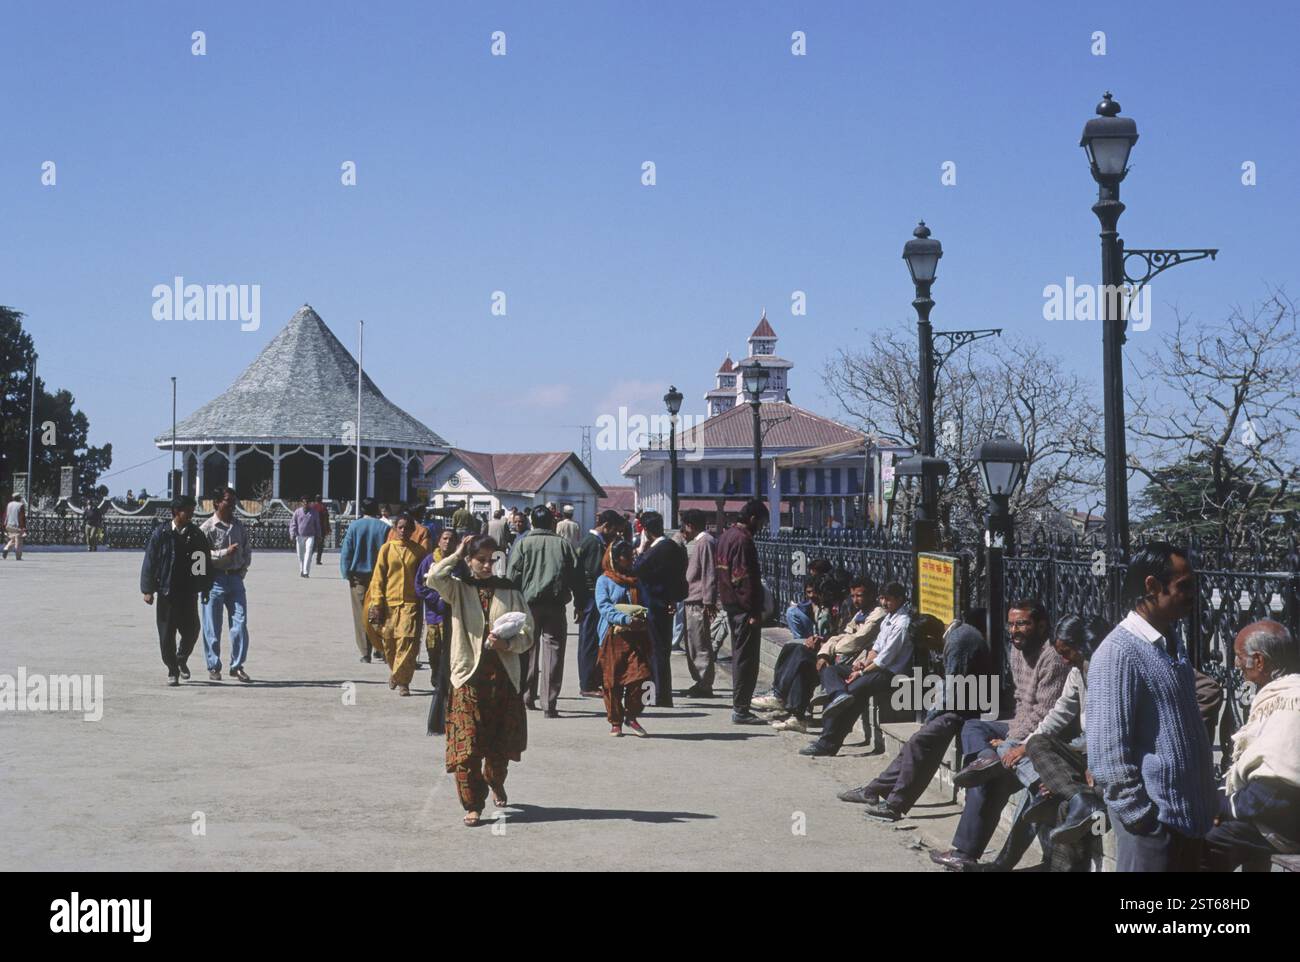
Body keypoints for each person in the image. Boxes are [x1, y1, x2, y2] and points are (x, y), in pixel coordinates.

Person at [1086, 542, 1216, 872]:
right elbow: (1107, 754)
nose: (1192, 594)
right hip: (1153, 829)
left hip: (1185, 823)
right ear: (1152, 586)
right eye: (1183, 586)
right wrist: (1142, 819)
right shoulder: (1118, 653)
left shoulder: (1169, 642)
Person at [930, 599, 1070, 870]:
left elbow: (1044, 714)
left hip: (1047, 737)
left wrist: (1011, 741)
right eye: (1011, 624)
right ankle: (987, 760)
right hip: (1020, 727)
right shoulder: (1017, 649)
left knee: (989, 783)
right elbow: (1021, 700)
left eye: (1022, 624)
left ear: (1042, 626)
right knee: (973, 726)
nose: (1014, 630)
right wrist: (1008, 739)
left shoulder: (1052, 657)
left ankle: (964, 853)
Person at [427, 534, 533, 826]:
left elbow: (528, 633)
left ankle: (494, 780)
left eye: (492, 560)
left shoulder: (509, 591)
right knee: (466, 747)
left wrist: (507, 644)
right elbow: (433, 577)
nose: (487, 566)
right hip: (467, 678)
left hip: (502, 678)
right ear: (469, 560)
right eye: (481, 560)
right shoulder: (458, 589)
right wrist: (457, 553)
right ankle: (473, 803)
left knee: (499, 746)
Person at [845, 610, 990, 821]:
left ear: (930, 637)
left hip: (966, 708)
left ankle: (894, 805)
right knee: (914, 744)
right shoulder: (955, 635)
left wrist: (931, 716)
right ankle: (873, 790)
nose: (930, 651)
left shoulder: (958, 642)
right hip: (959, 703)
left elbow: (952, 690)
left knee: (920, 743)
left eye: (926, 645)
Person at [1203, 620, 1300, 871]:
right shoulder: (1279, 695)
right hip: (1274, 814)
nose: (1236, 664)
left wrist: (1225, 806)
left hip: (1285, 825)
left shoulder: (1290, 704)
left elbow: (1273, 791)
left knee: (1202, 841)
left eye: (1239, 656)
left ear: (1259, 661)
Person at [1022, 615, 1112, 871]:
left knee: (1064, 808)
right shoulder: (1076, 672)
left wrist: (1095, 763)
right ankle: (1078, 796)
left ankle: (1076, 799)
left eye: (1066, 652)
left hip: (1107, 761)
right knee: (1037, 743)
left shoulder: (1105, 671)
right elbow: (1059, 712)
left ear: (1082, 646)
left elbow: (1109, 728)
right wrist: (1023, 746)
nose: (1063, 659)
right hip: (1086, 756)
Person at [800, 581, 912, 757]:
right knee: (832, 671)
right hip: (873, 668)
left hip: (890, 673)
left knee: (854, 691)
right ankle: (838, 695)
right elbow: (876, 648)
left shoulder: (902, 624)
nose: (884, 603)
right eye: (882, 598)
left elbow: (885, 660)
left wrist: (860, 672)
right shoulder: (889, 618)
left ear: (899, 599)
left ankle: (828, 743)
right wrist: (863, 664)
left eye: (888, 599)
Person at [758, 575, 875, 734]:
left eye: (859, 596)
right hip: (838, 653)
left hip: (852, 660)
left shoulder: (873, 614)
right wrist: (823, 646)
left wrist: (824, 649)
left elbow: (854, 641)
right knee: (797, 654)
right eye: (853, 595)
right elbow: (841, 635)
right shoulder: (859, 612)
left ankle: (780, 697)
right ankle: (795, 715)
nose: (855, 600)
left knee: (802, 653)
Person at [506, 504, 582, 717]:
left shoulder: (523, 544)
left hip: (528, 606)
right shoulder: (563, 545)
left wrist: (510, 603)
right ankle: (549, 703)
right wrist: (580, 603)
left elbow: (512, 576)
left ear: (531, 522)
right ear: (551, 522)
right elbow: (576, 576)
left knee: (527, 650)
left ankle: (527, 697)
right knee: (553, 653)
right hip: (556, 606)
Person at [140, 496, 213, 685]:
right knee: (166, 635)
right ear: (176, 512)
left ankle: (181, 658)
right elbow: (150, 561)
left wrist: (204, 588)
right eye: (186, 511)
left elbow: (201, 563)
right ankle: (172, 669)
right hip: (167, 592)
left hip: (188, 592)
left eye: (191, 511)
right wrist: (148, 590)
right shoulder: (161, 533)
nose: (190, 515)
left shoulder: (196, 534)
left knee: (192, 630)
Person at [716, 499, 769, 723]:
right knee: (746, 658)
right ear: (753, 518)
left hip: (730, 603)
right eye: (762, 523)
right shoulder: (742, 540)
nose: (762, 528)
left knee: (741, 655)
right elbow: (744, 579)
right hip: (743, 608)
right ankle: (741, 708)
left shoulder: (726, 536)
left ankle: (741, 706)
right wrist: (754, 610)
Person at [595, 539, 654, 736]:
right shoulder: (604, 581)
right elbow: (604, 607)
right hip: (612, 637)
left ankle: (632, 716)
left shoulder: (636, 580)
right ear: (615, 558)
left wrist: (643, 617)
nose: (629, 560)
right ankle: (615, 721)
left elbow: (646, 603)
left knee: (642, 677)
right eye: (625, 556)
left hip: (637, 637)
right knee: (612, 681)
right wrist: (625, 619)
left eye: (631, 556)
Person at [365, 514, 428, 696]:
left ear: (412, 530)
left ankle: (403, 682)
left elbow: (424, 577)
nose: (403, 531)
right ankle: (395, 672)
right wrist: (377, 601)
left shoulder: (419, 551)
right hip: (389, 603)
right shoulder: (387, 549)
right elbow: (378, 577)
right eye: (400, 527)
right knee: (389, 643)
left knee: (407, 642)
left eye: (407, 528)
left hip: (410, 603)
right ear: (395, 528)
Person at [631, 510, 688, 708]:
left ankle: (655, 695)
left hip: (653, 603)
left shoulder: (655, 550)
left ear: (646, 530)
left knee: (653, 650)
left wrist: (641, 549)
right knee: (662, 649)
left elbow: (637, 568)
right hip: (665, 602)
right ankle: (663, 694)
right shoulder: (673, 547)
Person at [199, 487, 253, 682]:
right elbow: (199, 557)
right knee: (212, 626)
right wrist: (224, 553)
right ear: (217, 503)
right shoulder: (207, 528)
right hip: (214, 580)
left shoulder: (239, 526)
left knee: (240, 622)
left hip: (235, 579)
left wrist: (242, 571)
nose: (232, 505)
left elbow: (247, 550)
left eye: (233, 502)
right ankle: (213, 665)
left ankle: (237, 665)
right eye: (228, 501)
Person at [575, 510, 625, 696]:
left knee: (591, 639)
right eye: (614, 530)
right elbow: (597, 571)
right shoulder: (594, 544)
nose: (616, 534)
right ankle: (588, 684)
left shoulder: (592, 541)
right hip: (592, 597)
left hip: (590, 597)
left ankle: (591, 680)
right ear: (606, 526)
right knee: (590, 640)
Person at [339, 498, 390, 663]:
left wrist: (346, 572)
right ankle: (380, 647)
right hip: (379, 576)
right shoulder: (385, 528)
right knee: (379, 611)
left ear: (362, 510)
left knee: (361, 614)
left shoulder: (354, 526)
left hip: (358, 577)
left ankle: (365, 652)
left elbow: (347, 551)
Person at [678, 509, 719, 698]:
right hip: (692, 598)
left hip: (698, 599)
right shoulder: (701, 542)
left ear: (690, 525)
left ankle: (704, 683)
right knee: (693, 642)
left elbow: (709, 573)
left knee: (699, 642)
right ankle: (700, 681)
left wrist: (708, 600)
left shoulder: (705, 542)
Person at [415, 536, 452, 733]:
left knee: (448, 649)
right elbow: (420, 585)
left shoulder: (457, 563)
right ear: (439, 541)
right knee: (433, 647)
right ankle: (435, 672)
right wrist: (435, 598)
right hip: (432, 614)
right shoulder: (429, 561)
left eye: (451, 539)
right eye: (444, 538)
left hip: (450, 614)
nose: (447, 542)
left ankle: (443, 679)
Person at [289, 497, 320, 577]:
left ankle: (306, 572)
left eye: (307, 502)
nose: (306, 504)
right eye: (304, 502)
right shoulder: (297, 512)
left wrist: (318, 535)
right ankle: (302, 570)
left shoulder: (314, 513)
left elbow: (317, 525)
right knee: (300, 555)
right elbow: (293, 523)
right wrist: (292, 534)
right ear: (302, 503)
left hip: (310, 536)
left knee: (308, 553)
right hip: (300, 536)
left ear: (310, 503)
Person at [2, 492, 25, 560]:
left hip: (8, 525)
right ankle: (18, 557)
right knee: (19, 541)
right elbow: (21, 517)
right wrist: (23, 527)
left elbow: (5, 515)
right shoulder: (21, 505)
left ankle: (6, 548)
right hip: (17, 526)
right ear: (19, 498)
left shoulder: (9, 504)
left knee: (13, 540)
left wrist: (4, 525)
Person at [312, 495, 330, 565]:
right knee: (320, 545)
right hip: (321, 529)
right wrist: (327, 529)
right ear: (321, 500)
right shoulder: (323, 507)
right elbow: (326, 519)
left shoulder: (312, 507)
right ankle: (318, 560)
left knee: (312, 545)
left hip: (313, 529)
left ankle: (308, 558)